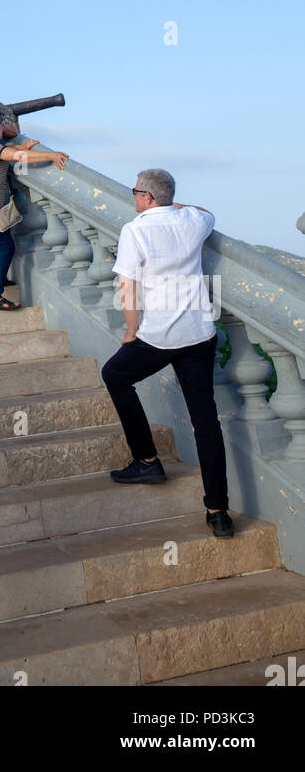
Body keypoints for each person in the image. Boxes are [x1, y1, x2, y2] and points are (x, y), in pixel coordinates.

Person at [102, 169, 233, 538]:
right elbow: (207, 213)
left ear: (146, 197)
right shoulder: (192, 220)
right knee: (206, 422)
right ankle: (218, 513)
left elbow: (127, 286)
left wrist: (131, 330)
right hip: (200, 333)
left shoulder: (136, 230)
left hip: (161, 336)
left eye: (135, 191)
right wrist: (176, 205)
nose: (133, 196)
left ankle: (146, 460)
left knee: (115, 375)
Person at [0, 109, 68, 308]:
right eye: (1, 124)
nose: (3, 128)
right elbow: (18, 156)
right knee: (6, 247)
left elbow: (7, 149)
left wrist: (19, 146)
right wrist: (51, 155)